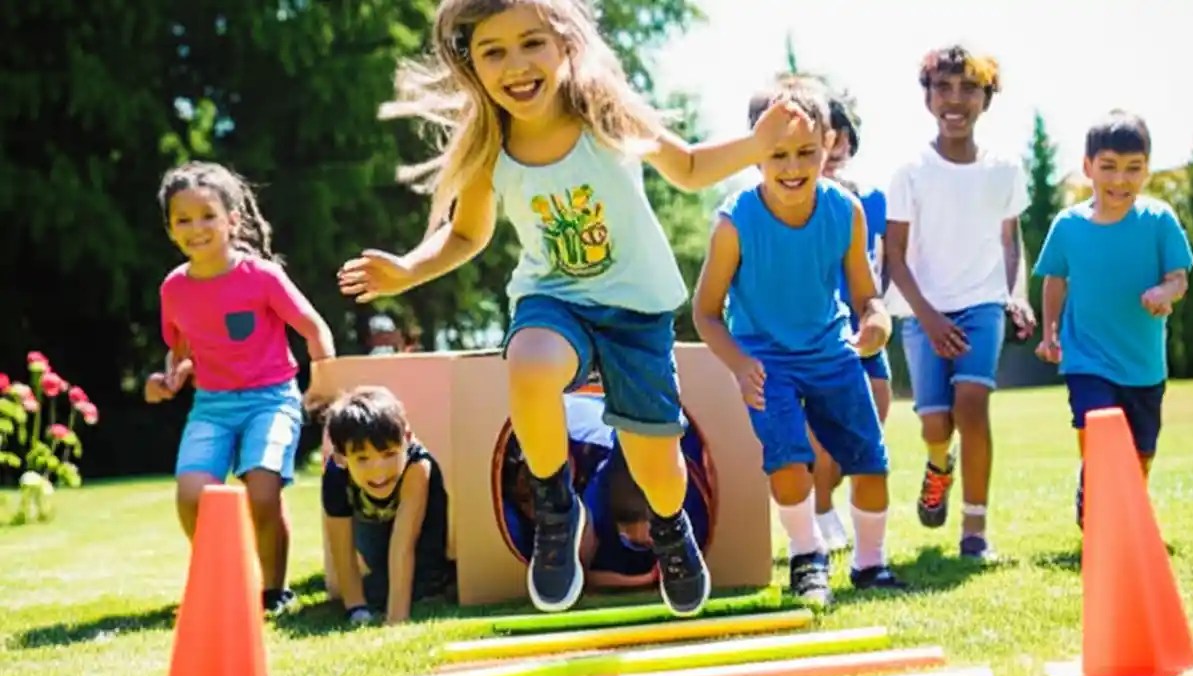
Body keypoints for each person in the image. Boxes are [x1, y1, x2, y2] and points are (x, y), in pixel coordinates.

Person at [336, 0, 809, 616]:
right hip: (553, 298)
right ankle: (556, 508)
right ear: (472, 64)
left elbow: (689, 168)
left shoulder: (604, 113)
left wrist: (757, 143)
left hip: (636, 314)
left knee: (656, 467)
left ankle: (670, 529)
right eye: (493, 52)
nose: (516, 66)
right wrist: (409, 269)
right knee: (529, 362)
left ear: (564, 42)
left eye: (531, 43)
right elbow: (465, 235)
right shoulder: (490, 145)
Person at [693, 76, 906, 608]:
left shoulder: (846, 211)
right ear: (755, 153)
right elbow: (705, 312)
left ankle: (871, 564)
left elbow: (865, 294)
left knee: (871, 462)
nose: (792, 167)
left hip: (833, 353)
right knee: (788, 461)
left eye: (806, 152)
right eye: (778, 154)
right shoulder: (735, 222)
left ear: (829, 144)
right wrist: (741, 365)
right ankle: (807, 557)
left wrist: (876, 321)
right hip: (766, 361)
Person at [143, 161, 336, 616]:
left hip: (271, 399)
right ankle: (222, 581)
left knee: (263, 491)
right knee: (192, 495)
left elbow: (314, 328)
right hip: (211, 406)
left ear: (233, 220)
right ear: (170, 230)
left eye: (207, 215)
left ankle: (273, 590)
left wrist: (323, 381)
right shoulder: (174, 289)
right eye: (183, 220)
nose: (196, 228)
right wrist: (168, 378)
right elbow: (182, 350)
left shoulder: (261, 276)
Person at [883, 45, 1037, 561]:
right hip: (922, 311)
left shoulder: (1005, 169)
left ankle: (975, 532)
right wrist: (927, 318)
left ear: (987, 100)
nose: (955, 100)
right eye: (943, 88)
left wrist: (1016, 296)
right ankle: (937, 465)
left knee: (972, 406)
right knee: (934, 423)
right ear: (927, 97)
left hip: (981, 306)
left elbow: (1011, 240)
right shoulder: (909, 170)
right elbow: (895, 258)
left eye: (969, 88)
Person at [1032, 111, 1193, 529]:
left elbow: (1179, 279)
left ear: (1147, 170)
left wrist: (1165, 292)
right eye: (1108, 167)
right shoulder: (1068, 226)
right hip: (1086, 356)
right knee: (1097, 424)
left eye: (1132, 169)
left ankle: (1124, 508)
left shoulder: (1159, 220)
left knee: (1141, 450)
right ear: (1088, 168)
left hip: (1143, 363)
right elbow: (1055, 280)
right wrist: (1050, 332)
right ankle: (1098, 491)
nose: (1120, 180)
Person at [500, 390, 712, 589]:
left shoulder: (590, 434)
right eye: (527, 497)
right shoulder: (587, 499)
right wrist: (645, 579)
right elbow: (579, 572)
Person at [810, 93, 893, 552]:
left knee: (871, 424)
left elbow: (882, 261)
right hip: (819, 332)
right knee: (824, 432)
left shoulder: (872, 200)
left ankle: (827, 499)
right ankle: (820, 508)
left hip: (863, 326)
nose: (837, 147)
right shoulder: (796, 203)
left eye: (844, 137)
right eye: (828, 137)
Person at [320, 386, 455, 625]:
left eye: (389, 454)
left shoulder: (417, 466)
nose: (378, 470)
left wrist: (395, 619)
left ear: (407, 440)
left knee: (423, 584)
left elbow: (403, 544)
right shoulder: (335, 476)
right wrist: (356, 608)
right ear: (341, 457)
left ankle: (439, 578)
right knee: (376, 590)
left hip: (419, 528)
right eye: (362, 459)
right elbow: (341, 547)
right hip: (373, 525)